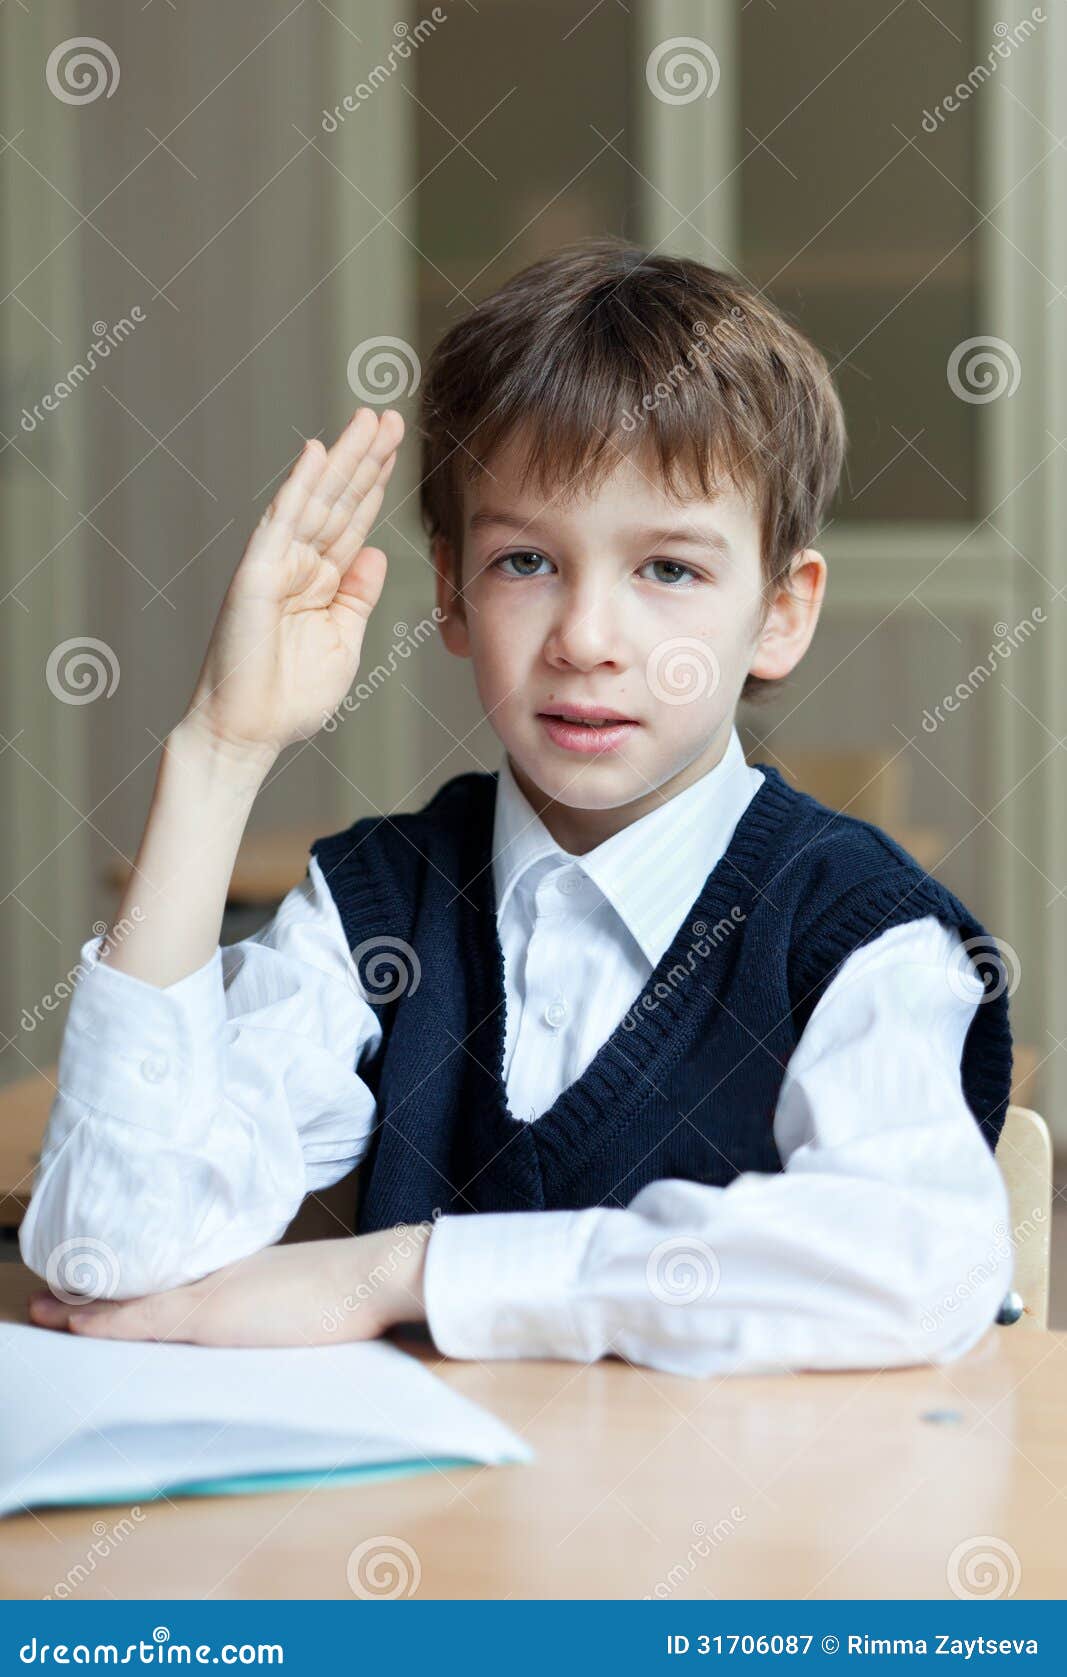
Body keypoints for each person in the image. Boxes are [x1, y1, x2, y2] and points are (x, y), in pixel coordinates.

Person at [20, 238, 1014, 1377]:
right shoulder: (374, 912)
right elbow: (111, 1251)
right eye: (525, 562)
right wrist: (218, 752)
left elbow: (916, 1263)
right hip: (438, 1542)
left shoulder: (857, 930)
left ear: (781, 612)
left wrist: (411, 1270)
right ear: (448, 592)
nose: (586, 640)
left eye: (669, 571)